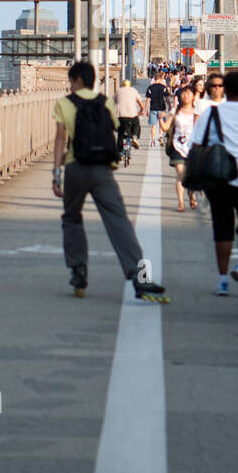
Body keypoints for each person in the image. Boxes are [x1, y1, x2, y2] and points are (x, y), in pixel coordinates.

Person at [52, 61, 168, 302]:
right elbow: (111, 132)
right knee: (119, 222)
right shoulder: (104, 101)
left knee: (72, 218)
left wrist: (57, 172)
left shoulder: (64, 103)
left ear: (77, 81)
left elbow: (60, 139)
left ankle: (78, 269)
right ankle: (141, 278)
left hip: (76, 168)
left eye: (71, 80)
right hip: (102, 170)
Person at [190, 70, 238, 295]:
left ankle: (222, 279)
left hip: (218, 177)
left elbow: (196, 144)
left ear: (225, 89)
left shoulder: (212, 113)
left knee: (222, 227)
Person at [159, 84, 198, 212]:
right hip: (177, 146)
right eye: (183, 93)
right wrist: (160, 119)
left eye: (188, 93)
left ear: (193, 96)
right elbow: (165, 127)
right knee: (180, 174)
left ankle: (192, 194)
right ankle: (181, 203)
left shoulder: (197, 112)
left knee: (191, 175)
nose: (185, 96)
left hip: (193, 147)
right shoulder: (175, 111)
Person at [115, 78, 144, 153]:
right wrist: (140, 112)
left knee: (120, 133)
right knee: (136, 124)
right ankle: (134, 137)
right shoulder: (134, 91)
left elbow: (111, 102)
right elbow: (141, 105)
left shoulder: (118, 91)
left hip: (120, 115)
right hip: (132, 114)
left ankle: (119, 151)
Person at [144, 72, 169, 147]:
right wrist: (170, 106)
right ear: (160, 79)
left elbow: (148, 100)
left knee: (153, 126)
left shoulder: (150, 88)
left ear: (154, 79)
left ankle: (152, 141)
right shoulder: (163, 87)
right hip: (162, 108)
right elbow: (167, 98)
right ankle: (160, 136)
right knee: (162, 124)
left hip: (153, 108)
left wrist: (146, 109)